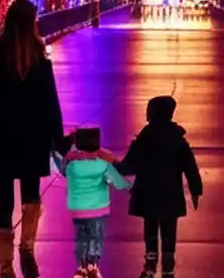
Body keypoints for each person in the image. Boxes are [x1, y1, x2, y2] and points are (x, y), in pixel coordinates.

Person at [0, 0, 64, 278]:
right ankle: (27, 247)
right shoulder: (39, 58)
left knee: (3, 202)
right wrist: (58, 139)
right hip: (32, 140)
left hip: (0, 140)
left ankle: (5, 265)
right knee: (31, 195)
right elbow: (50, 104)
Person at [117, 95, 203, 278]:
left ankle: (150, 266)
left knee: (150, 232)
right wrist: (196, 191)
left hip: (148, 196)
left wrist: (110, 166)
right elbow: (190, 166)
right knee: (169, 234)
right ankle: (168, 269)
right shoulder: (178, 140)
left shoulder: (145, 139)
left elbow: (129, 166)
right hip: (171, 196)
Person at [52, 127, 129, 278]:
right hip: (99, 209)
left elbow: (62, 168)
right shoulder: (103, 164)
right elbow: (118, 182)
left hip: (78, 209)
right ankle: (92, 265)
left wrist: (54, 153)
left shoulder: (71, 164)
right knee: (96, 237)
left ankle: (81, 267)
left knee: (81, 237)